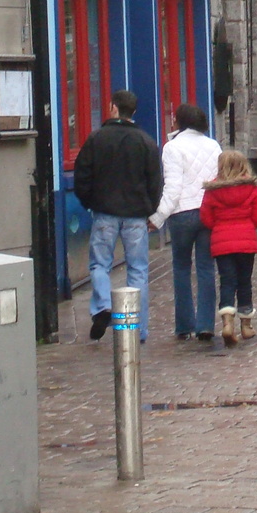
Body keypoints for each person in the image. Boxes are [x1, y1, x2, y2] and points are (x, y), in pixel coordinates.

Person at [74, 90, 162, 343]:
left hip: (105, 212)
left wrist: (90, 202)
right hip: (136, 215)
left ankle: (103, 305)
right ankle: (136, 329)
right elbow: (155, 181)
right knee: (138, 270)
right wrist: (150, 208)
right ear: (133, 111)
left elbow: (82, 176)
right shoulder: (146, 141)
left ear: (113, 107)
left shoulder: (96, 138)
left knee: (99, 264)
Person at [150, 105, 221, 342]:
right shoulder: (213, 145)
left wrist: (158, 217)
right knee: (206, 267)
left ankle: (184, 325)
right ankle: (206, 325)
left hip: (182, 214)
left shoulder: (172, 147)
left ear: (179, 121)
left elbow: (173, 188)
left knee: (181, 267)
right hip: (208, 210)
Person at [199, 150, 257, 347]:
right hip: (246, 241)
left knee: (227, 281)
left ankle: (227, 323)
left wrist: (219, 228)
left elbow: (205, 217)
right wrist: (248, 227)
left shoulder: (213, 190)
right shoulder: (251, 188)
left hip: (222, 242)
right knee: (245, 281)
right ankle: (246, 325)